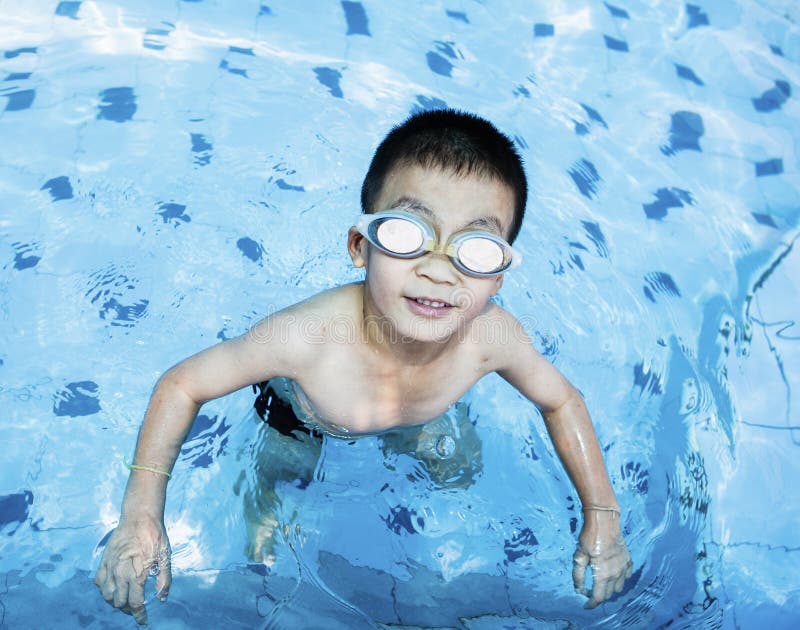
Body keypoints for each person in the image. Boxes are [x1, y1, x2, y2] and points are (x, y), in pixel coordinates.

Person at [94, 109, 633, 625]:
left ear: (499, 278)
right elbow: (182, 383)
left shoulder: (492, 337)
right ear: (361, 244)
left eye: (477, 249)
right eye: (408, 233)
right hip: (304, 416)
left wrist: (602, 515)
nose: (439, 272)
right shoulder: (304, 338)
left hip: (421, 416)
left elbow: (561, 400)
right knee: (279, 489)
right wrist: (141, 512)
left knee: (459, 470)